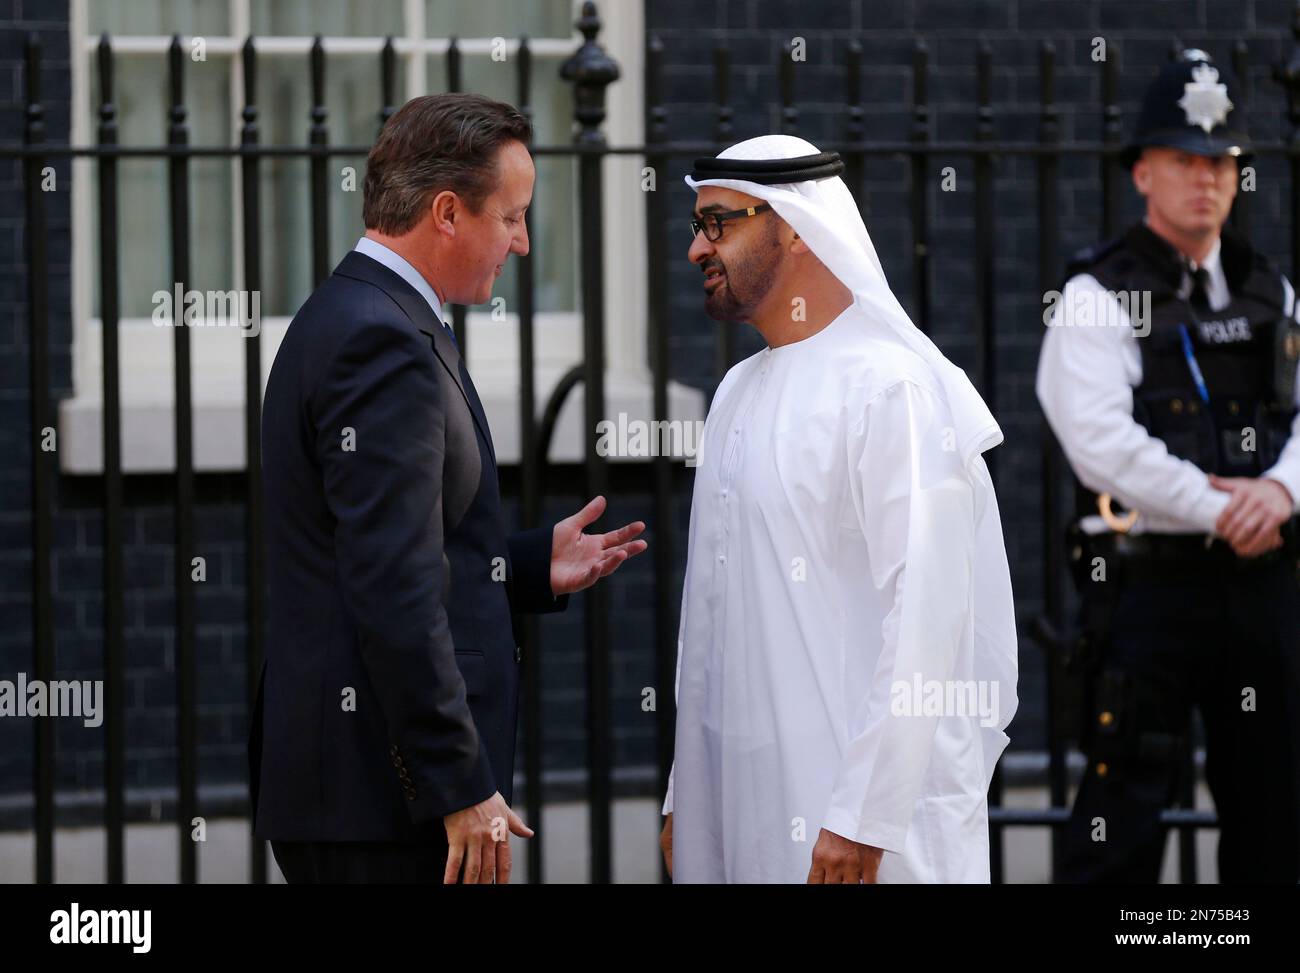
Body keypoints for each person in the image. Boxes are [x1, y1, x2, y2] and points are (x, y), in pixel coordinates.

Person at [249, 93, 646, 884]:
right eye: (510, 216)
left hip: (357, 794)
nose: (523, 242)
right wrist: (458, 783)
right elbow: (393, 586)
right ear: (446, 213)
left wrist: (525, 566)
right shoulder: (381, 339)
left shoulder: (359, 313)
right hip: (381, 806)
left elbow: (389, 548)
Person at [659, 135, 1019, 883]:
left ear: (794, 227)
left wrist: (866, 814)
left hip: (865, 835)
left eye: (719, 222)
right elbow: (711, 620)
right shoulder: (735, 393)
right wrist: (682, 791)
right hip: (741, 806)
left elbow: (925, 619)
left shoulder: (894, 389)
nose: (697, 247)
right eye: (698, 225)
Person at [1037, 50, 1300, 883]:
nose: (1206, 180)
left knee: (1279, 812)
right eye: (1185, 160)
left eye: (1221, 163)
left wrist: (1283, 491)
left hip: (1264, 586)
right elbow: (1100, 442)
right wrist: (1224, 507)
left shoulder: (1270, 291)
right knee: (1123, 814)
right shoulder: (1099, 293)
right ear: (1144, 172)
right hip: (1148, 590)